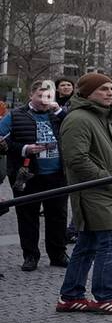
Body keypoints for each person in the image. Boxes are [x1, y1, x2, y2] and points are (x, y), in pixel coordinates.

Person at [56, 73, 112, 314]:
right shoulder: (79, 119)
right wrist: (107, 179)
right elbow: (76, 159)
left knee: (88, 245)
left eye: (111, 88)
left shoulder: (101, 117)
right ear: (87, 93)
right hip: (94, 193)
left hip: (106, 191)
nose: (110, 93)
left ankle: (70, 296)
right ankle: (105, 297)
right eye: (103, 89)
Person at [1, 80, 69, 271]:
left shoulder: (58, 115)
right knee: (27, 216)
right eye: (39, 95)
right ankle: (30, 255)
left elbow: (74, 128)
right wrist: (24, 149)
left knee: (58, 215)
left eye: (48, 96)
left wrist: (59, 112)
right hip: (27, 174)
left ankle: (58, 254)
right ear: (31, 95)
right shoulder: (15, 115)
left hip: (57, 174)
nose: (43, 100)